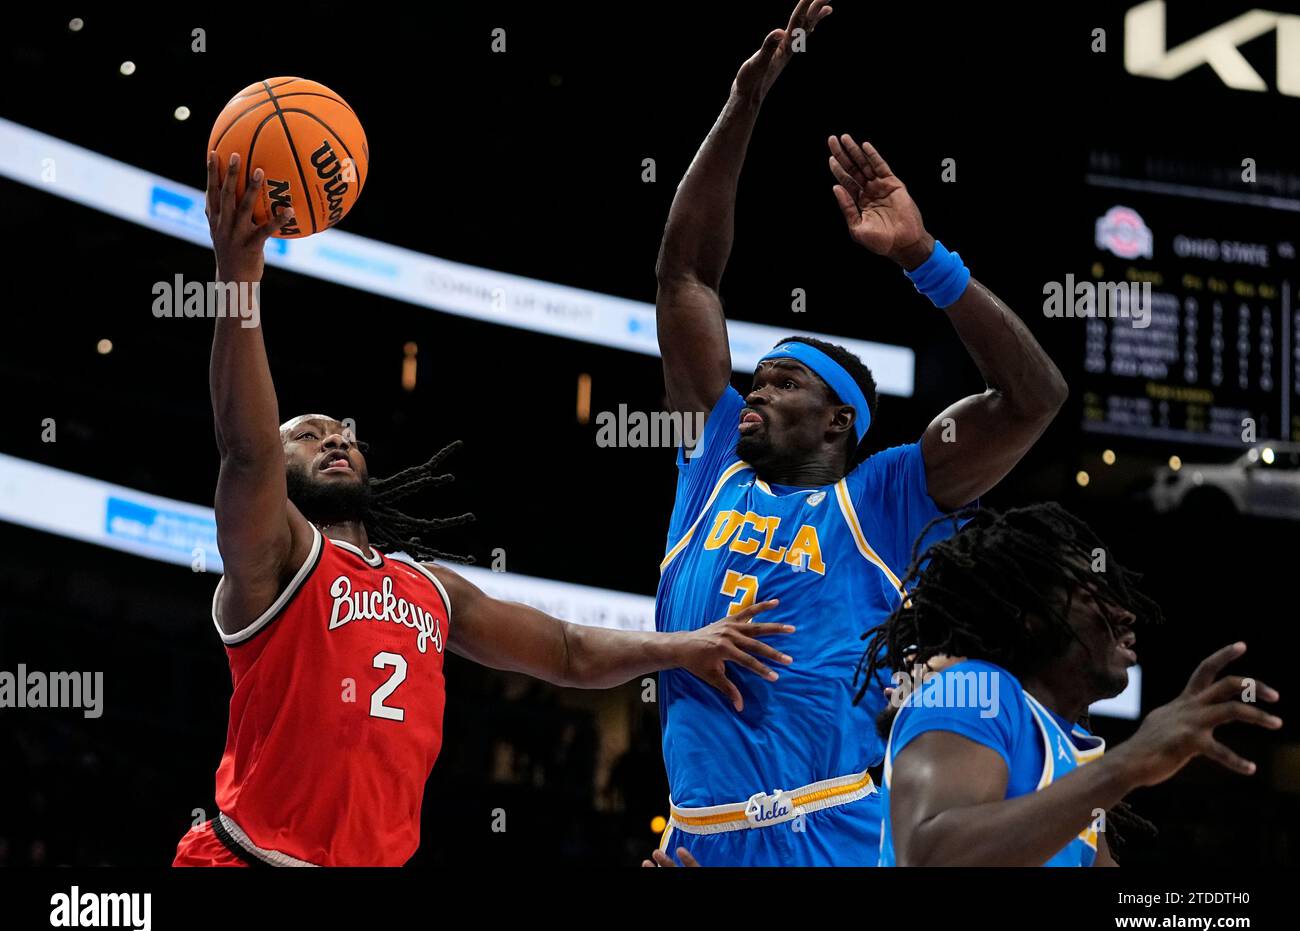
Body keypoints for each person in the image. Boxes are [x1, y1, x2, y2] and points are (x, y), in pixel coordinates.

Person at [173, 152, 795, 867]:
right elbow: (246, 451)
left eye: (342, 432)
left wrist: (678, 648)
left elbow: (566, 650)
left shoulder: (430, 589)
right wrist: (238, 279)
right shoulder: (276, 560)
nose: (335, 438)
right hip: (248, 859)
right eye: (307, 436)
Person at [650, 0, 1068, 865]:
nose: (754, 393)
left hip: (826, 830)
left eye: (783, 382)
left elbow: (1033, 398)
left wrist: (926, 260)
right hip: (694, 838)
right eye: (754, 380)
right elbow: (686, 273)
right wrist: (742, 107)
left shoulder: (883, 496)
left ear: (840, 419)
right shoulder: (713, 464)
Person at [866, 503, 1281, 866]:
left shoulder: (1072, 745)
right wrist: (1131, 761)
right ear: (1030, 616)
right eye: (1094, 596)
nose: (1125, 615)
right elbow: (930, 860)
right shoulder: (976, 690)